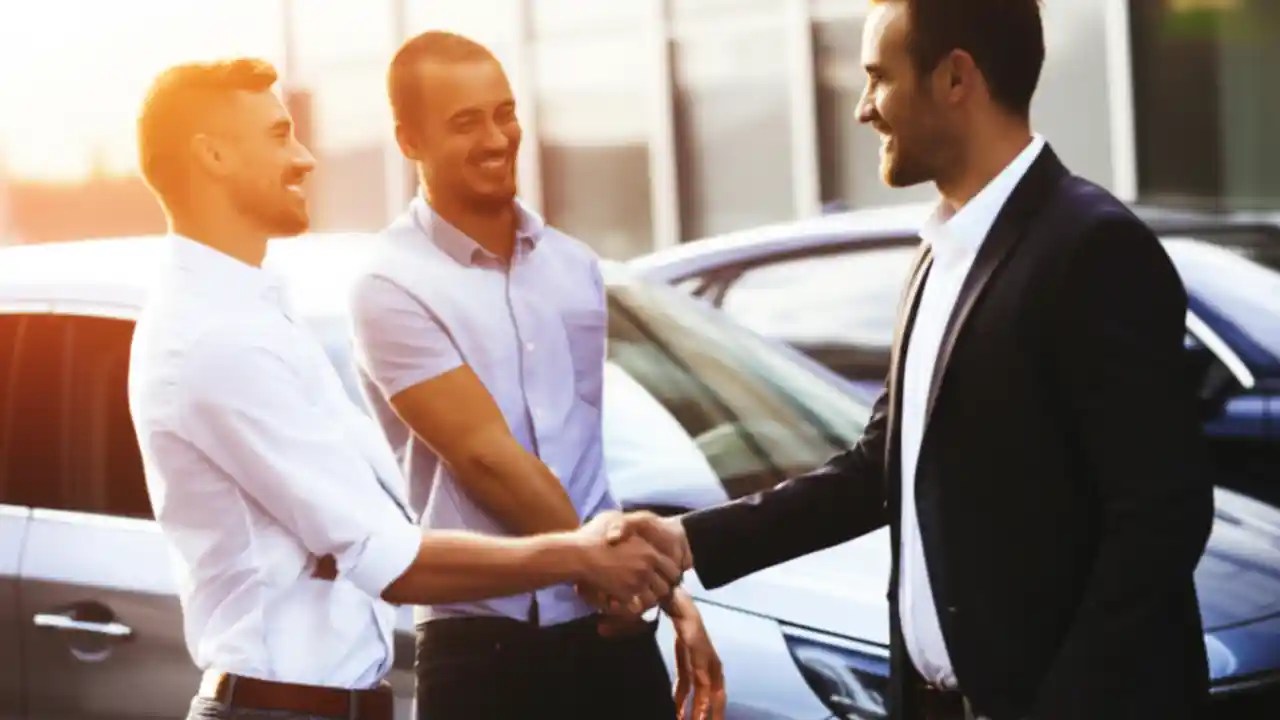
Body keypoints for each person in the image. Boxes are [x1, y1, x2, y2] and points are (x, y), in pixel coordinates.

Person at [609, 1, 1215, 718]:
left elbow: (1160, 519)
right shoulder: (938, 255)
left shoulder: (1093, 248)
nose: (865, 108)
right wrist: (685, 539)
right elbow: (877, 472)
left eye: (877, 78)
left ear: (955, 78)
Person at [128, 58, 682, 720]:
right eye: (278, 135)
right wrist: (581, 556)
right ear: (212, 155)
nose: (304, 158)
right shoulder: (212, 340)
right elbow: (388, 558)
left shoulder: (254, 314)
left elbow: (390, 516)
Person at [348, 31, 725, 720]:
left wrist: (652, 596)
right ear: (409, 141)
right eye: (465, 123)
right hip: (486, 648)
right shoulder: (389, 283)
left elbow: (586, 463)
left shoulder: (575, 267)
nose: (497, 137)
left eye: (505, 112)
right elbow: (490, 461)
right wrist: (651, 590)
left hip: (607, 632)